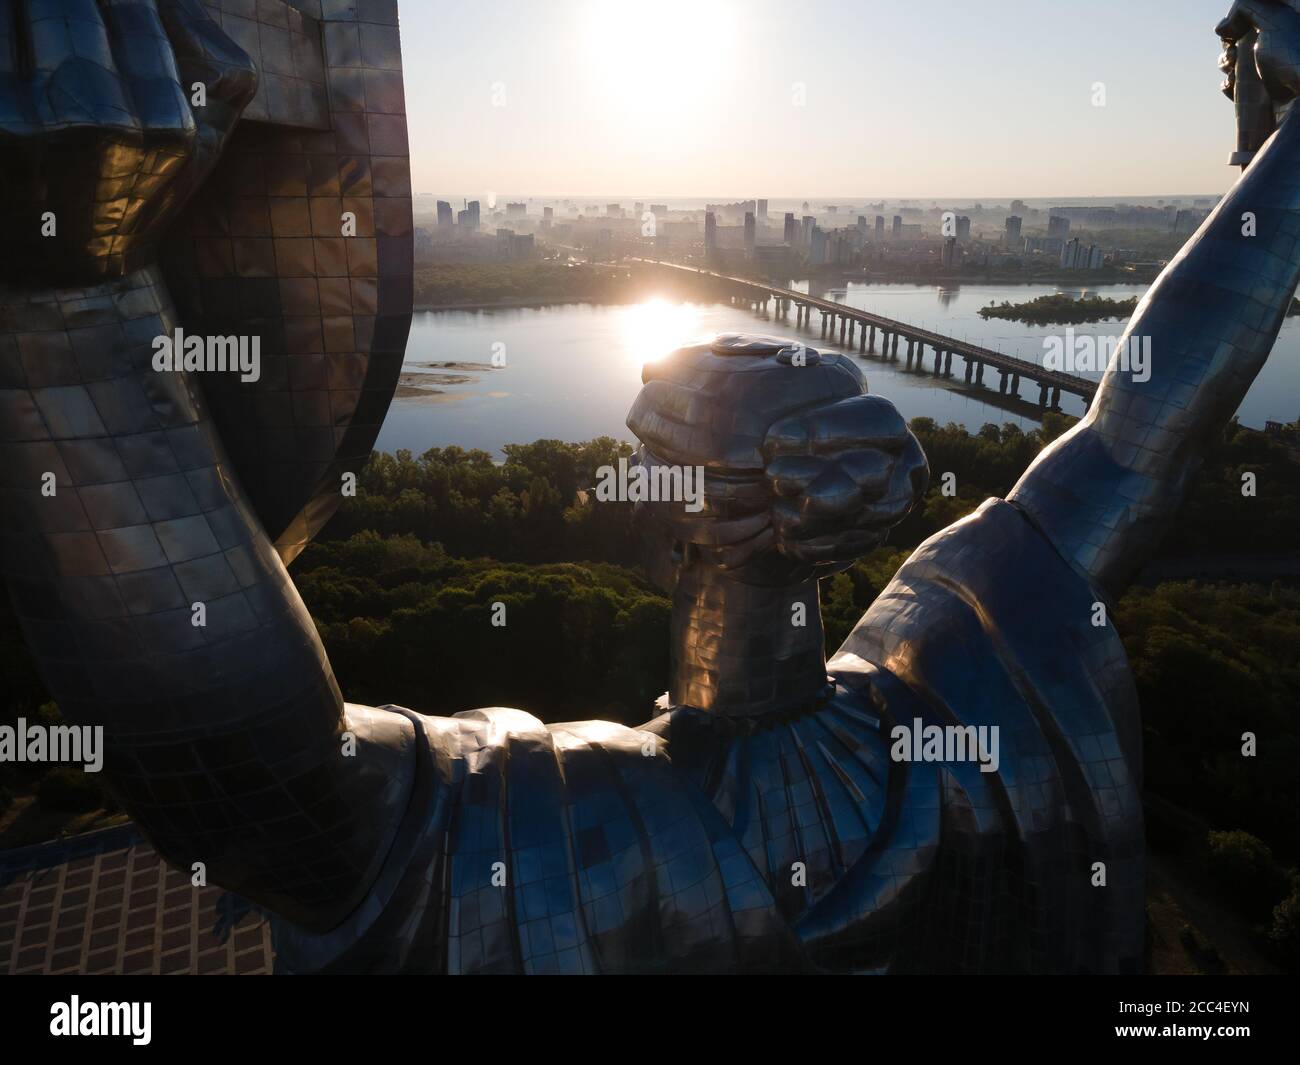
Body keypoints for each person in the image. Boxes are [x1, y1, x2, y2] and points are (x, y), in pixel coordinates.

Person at [2, 0, 1295, 973]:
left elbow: (274, 797)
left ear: (679, 522)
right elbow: (1138, 436)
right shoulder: (942, 725)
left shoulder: (597, 834)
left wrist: (67, 296)